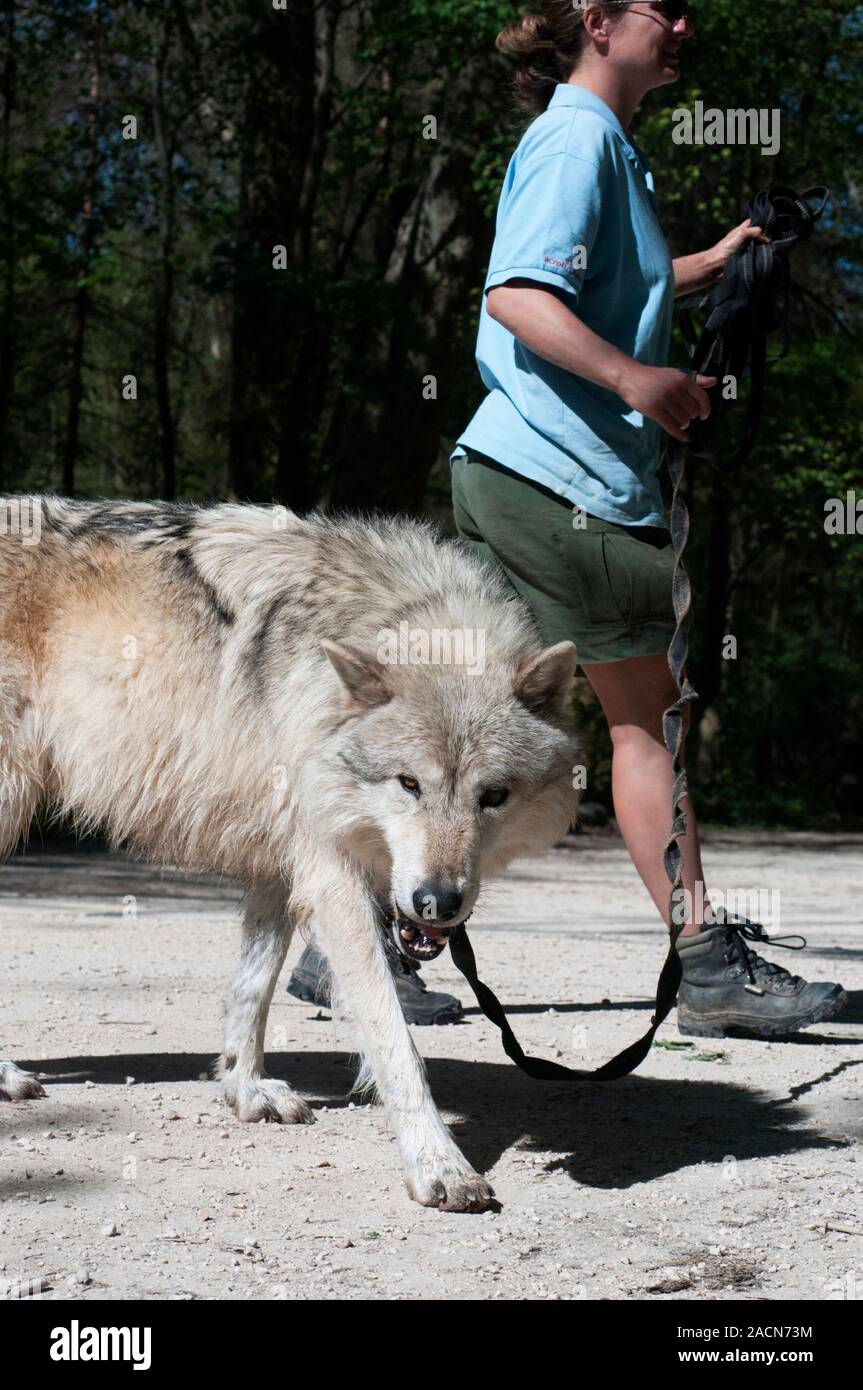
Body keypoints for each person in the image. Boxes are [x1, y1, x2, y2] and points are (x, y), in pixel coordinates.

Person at [446, 0, 845, 1037]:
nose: (681, 21)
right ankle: (705, 959)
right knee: (645, 720)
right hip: (561, 483)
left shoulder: (599, 142)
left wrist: (713, 263)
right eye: (658, 6)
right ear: (596, 20)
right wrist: (635, 380)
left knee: (472, 717)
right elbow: (517, 297)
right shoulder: (578, 136)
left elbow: (601, 289)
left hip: (516, 471)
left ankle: (349, 930)